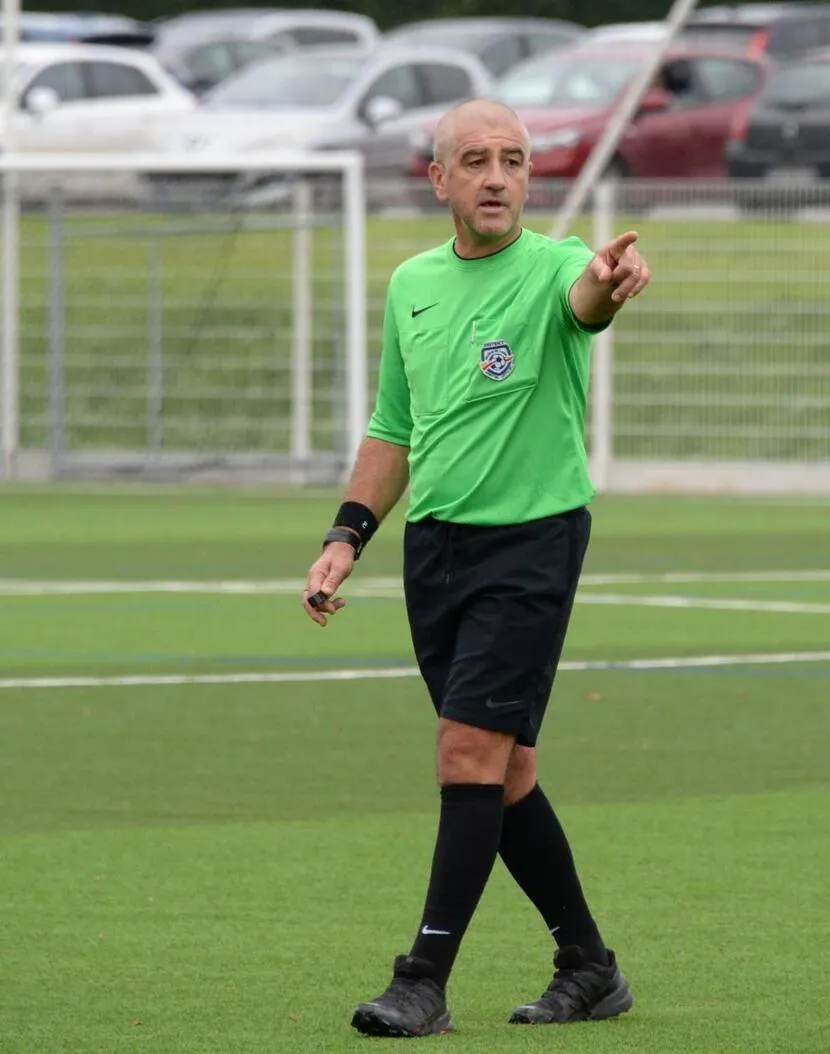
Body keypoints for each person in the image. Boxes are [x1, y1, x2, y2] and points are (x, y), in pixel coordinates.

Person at [302, 98, 651, 1038]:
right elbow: (393, 428)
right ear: (441, 179)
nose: (498, 176)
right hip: (436, 550)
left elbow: (592, 300)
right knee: (503, 771)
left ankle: (422, 978)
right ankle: (589, 964)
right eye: (477, 160)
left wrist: (611, 283)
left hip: (533, 543)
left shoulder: (557, 270)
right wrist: (346, 537)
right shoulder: (411, 283)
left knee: (465, 753)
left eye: (514, 159)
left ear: (529, 177)